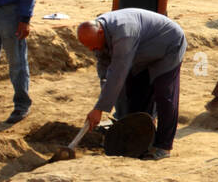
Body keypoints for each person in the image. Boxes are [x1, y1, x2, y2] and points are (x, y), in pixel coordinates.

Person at [76, 10, 186, 160]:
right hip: (141, 53)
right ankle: (142, 138)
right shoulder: (96, 36)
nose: (91, 50)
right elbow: (104, 70)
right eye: (88, 47)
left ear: (101, 33)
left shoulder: (123, 33)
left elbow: (117, 73)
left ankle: (163, 146)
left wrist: (99, 109)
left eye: (92, 46)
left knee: (164, 95)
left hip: (168, 45)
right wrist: (104, 98)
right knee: (136, 93)